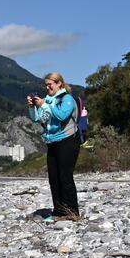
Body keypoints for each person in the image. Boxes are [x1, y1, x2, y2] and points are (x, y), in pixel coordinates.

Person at [27, 72, 81, 220]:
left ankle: (72, 212)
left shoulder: (67, 99)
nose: (47, 87)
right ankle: (59, 211)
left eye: (50, 84)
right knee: (54, 178)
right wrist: (33, 107)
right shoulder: (47, 101)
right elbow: (37, 118)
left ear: (59, 84)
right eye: (46, 84)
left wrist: (44, 104)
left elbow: (61, 115)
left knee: (65, 177)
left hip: (68, 140)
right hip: (52, 142)